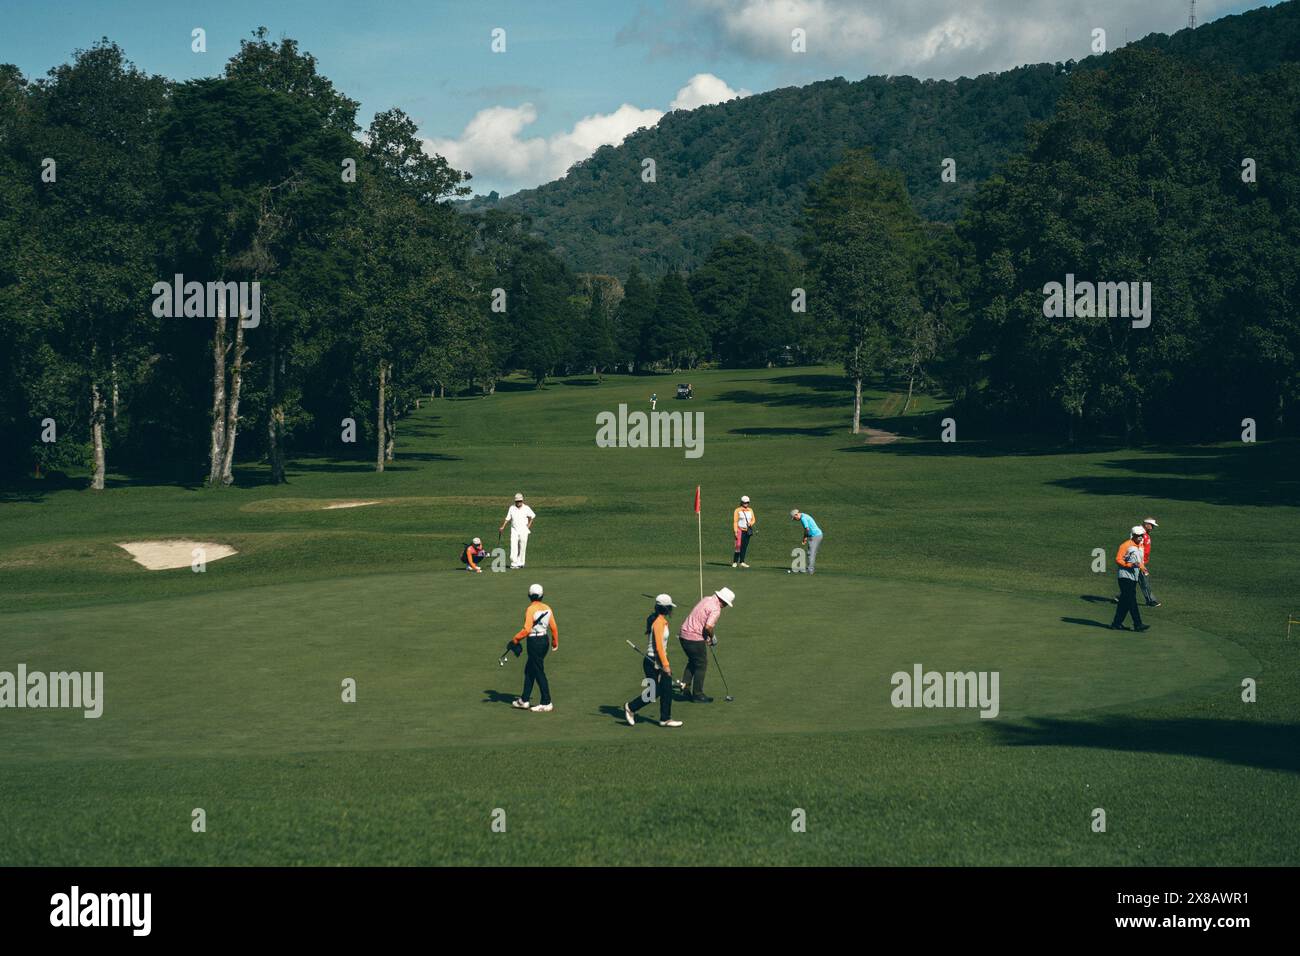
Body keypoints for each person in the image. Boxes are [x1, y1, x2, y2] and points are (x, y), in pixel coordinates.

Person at [624, 594, 682, 728]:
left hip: (660, 659)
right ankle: (630, 707)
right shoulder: (658, 623)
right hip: (653, 661)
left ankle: (665, 719)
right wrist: (665, 665)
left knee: (667, 689)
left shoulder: (660, 620)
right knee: (654, 692)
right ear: (667, 608)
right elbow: (659, 646)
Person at [499, 583, 559, 711]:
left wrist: (515, 639)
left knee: (538, 671)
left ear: (529, 596)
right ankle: (524, 700)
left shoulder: (530, 609)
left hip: (534, 642)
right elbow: (553, 627)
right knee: (530, 670)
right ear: (542, 596)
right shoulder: (547, 608)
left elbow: (526, 630)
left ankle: (546, 702)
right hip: (544, 641)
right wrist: (555, 642)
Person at [674, 587, 734, 703]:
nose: (725, 606)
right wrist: (712, 637)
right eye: (726, 604)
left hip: (683, 635)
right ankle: (698, 694)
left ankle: (684, 687)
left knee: (693, 661)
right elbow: (708, 627)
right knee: (701, 664)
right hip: (694, 638)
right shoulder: (716, 608)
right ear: (723, 601)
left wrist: (706, 637)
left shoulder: (706, 599)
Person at [1111, 527, 1151, 632]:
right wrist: (1129, 565)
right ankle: (1138, 624)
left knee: (1124, 601)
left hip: (1134, 577)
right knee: (1132, 600)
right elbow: (1118, 559)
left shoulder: (1141, 546)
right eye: (1138, 535)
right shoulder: (1125, 545)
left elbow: (1139, 561)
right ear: (1133, 535)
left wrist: (1143, 568)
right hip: (1124, 576)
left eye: (1141, 535)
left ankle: (1116, 623)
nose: (1140, 537)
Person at [498, 492, 536, 570]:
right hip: (514, 530)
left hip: (524, 530)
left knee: (522, 546)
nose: (519, 502)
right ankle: (514, 563)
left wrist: (528, 525)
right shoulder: (511, 508)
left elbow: (532, 516)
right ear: (515, 501)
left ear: (522, 500)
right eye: (517, 501)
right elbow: (508, 518)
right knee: (513, 546)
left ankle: (521, 563)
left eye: (520, 501)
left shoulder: (526, 508)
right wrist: (503, 526)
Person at [789, 508, 823, 574]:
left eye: (794, 518)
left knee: (810, 553)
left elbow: (807, 529)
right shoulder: (804, 515)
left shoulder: (803, 519)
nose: (795, 520)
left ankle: (810, 570)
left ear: (796, 515)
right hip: (819, 535)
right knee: (812, 553)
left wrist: (804, 538)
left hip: (815, 536)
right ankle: (810, 568)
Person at [1139, 518, 1161, 607]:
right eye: (1151, 525)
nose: (1152, 528)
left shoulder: (1145, 534)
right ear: (1146, 524)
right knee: (1144, 581)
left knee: (1131, 581)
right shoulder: (1140, 533)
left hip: (1141, 561)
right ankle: (1150, 600)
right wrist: (1141, 563)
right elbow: (1137, 548)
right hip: (1139, 562)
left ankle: (1120, 597)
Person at [732, 495, 756, 568]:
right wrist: (735, 531)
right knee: (738, 546)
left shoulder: (750, 510)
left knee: (744, 546)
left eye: (747, 502)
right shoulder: (737, 510)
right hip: (740, 530)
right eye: (745, 502)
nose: (746, 504)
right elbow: (735, 521)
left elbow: (753, 519)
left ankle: (742, 561)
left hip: (747, 531)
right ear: (742, 502)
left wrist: (750, 523)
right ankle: (735, 562)